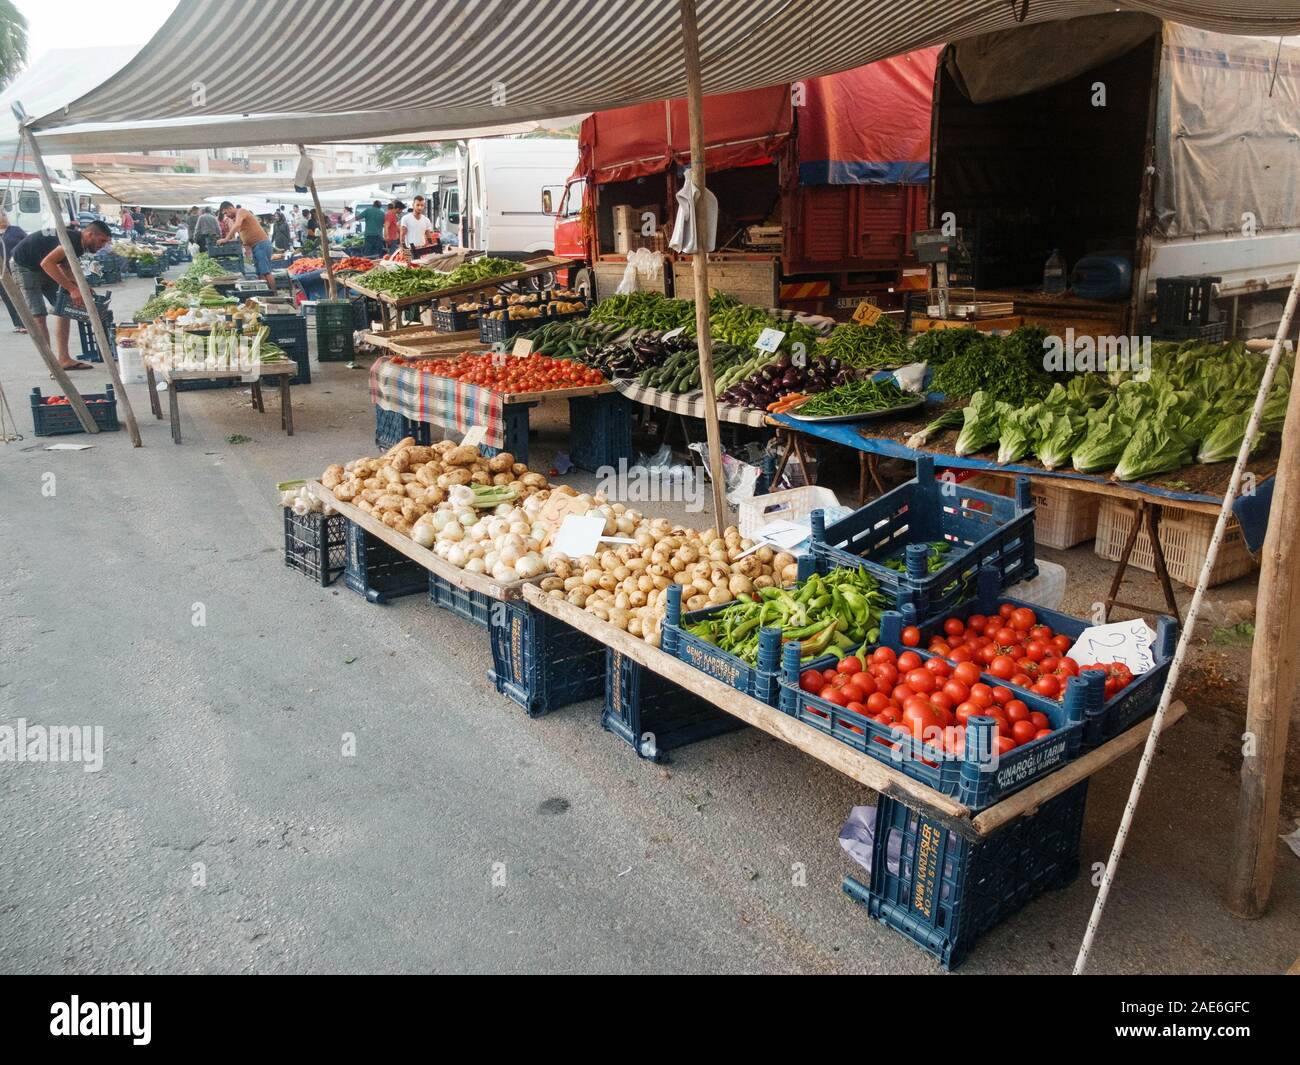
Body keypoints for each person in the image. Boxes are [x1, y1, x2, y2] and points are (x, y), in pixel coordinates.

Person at [11, 220, 112, 370]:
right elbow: (47, 263)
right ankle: (52, 366)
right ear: (90, 234)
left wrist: (81, 286)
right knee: (39, 316)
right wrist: (72, 289)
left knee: (64, 309)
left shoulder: (79, 243)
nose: (102, 245)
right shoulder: (71, 241)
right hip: (25, 266)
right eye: (102, 240)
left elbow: (64, 265)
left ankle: (64, 359)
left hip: (43, 265)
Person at [218, 200, 277, 294]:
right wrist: (246, 247)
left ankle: (274, 294)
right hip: (255, 246)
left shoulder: (241, 211)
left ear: (230, 208)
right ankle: (267, 293)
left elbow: (237, 225)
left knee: (266, 271)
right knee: (260, 272)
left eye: (226, 212)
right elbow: (242, 233)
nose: (226, 215)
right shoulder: (235, 219)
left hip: (261, 244)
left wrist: (226, 239)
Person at [0, 208, 30, 332]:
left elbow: (27, 244)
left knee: (20, 296)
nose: (4, 217)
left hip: (15, 268)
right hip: (2, 272)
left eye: (4, 214)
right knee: (7, 297)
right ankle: (18, 323)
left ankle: (26, 323)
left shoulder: (15, 231)